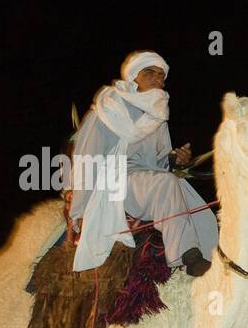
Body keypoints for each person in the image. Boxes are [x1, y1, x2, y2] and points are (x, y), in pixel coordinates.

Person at [69, 50, 219, 275]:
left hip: (147, 179)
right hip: (113, 180)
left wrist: (175, 159)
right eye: (150, 72)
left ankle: (211, 257)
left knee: (196, 205)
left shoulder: (158, 113)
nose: (158, 79)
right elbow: (87, 157)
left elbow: (160, 161)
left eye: (161, 75)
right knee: (167, 184)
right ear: (133, 77)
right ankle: (188, 255)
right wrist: (79, 210)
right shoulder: (109, 108)